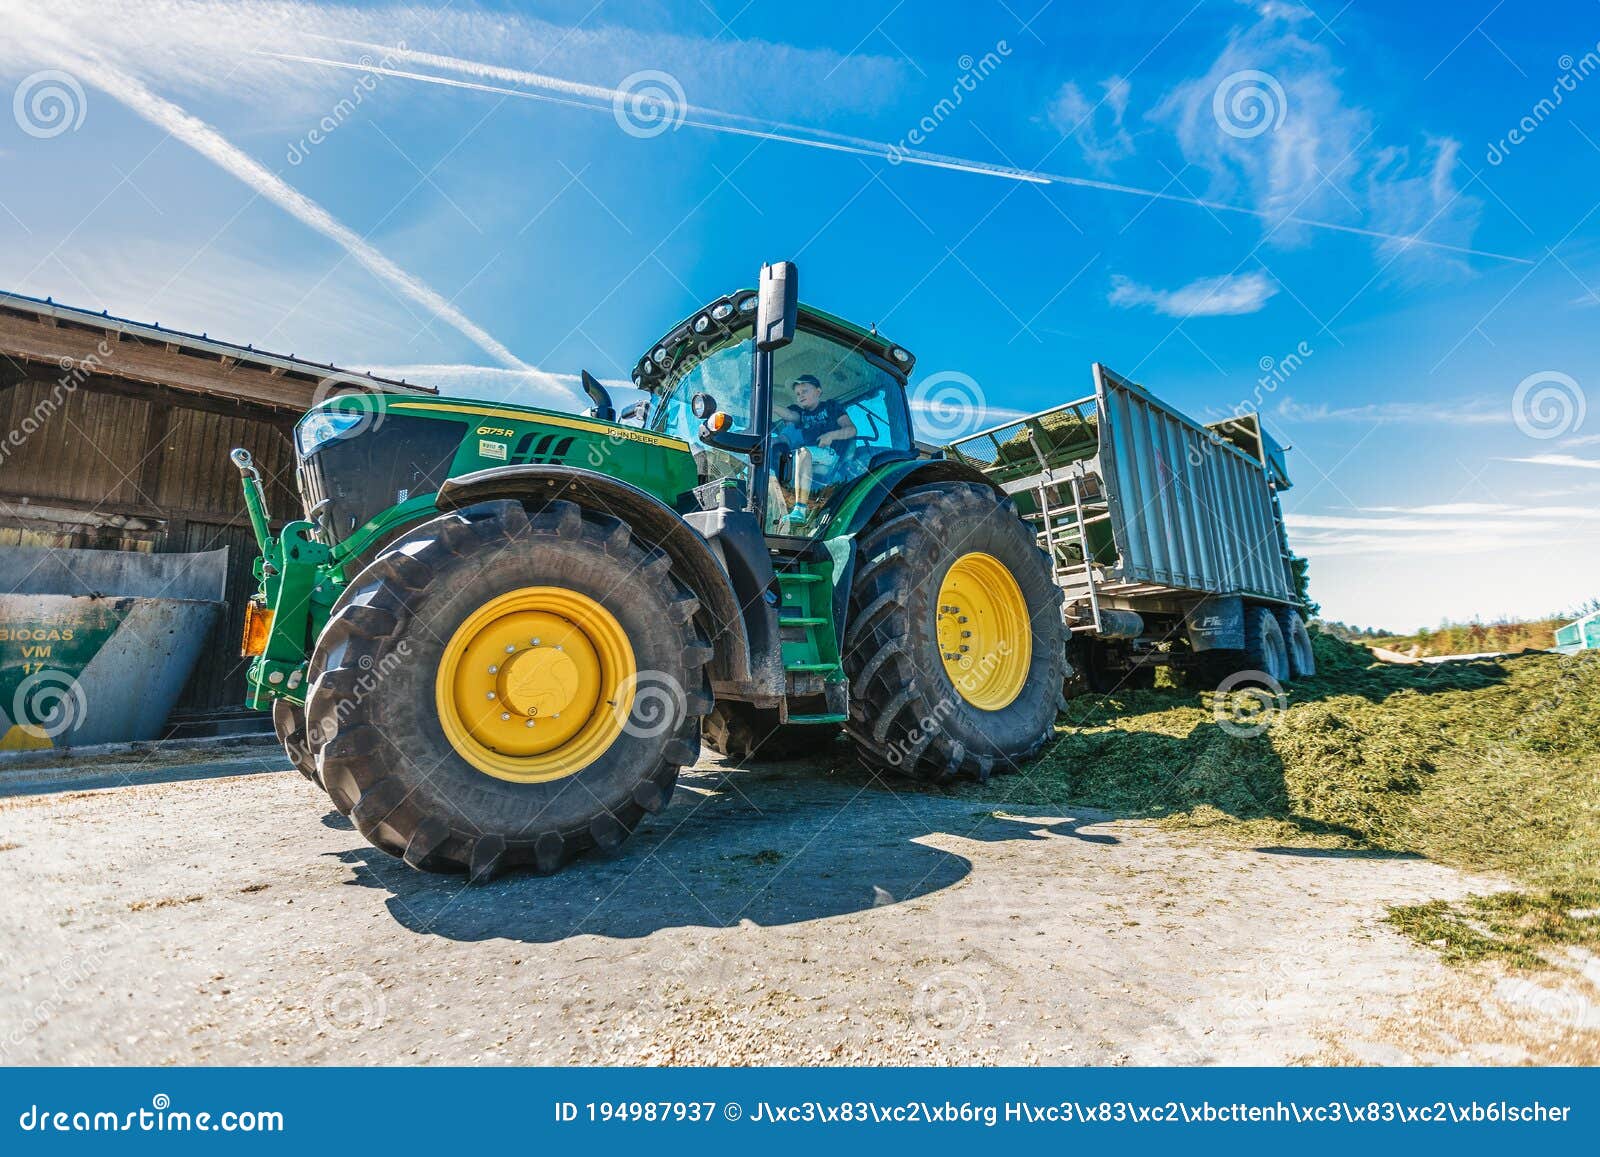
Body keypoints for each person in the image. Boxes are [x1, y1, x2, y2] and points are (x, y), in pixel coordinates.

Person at [775, 374, 856, 524]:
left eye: (804, 391)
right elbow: (789, 415)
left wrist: (831, 435)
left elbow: (851, 430)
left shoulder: (831, 407)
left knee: (802, 452)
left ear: (818, 392)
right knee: (784, 462)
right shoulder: (801, 414)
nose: (800, 396)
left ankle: (800, 509)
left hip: (830, 455)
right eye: (798, 394)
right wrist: (768, 404)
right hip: (812, 459)